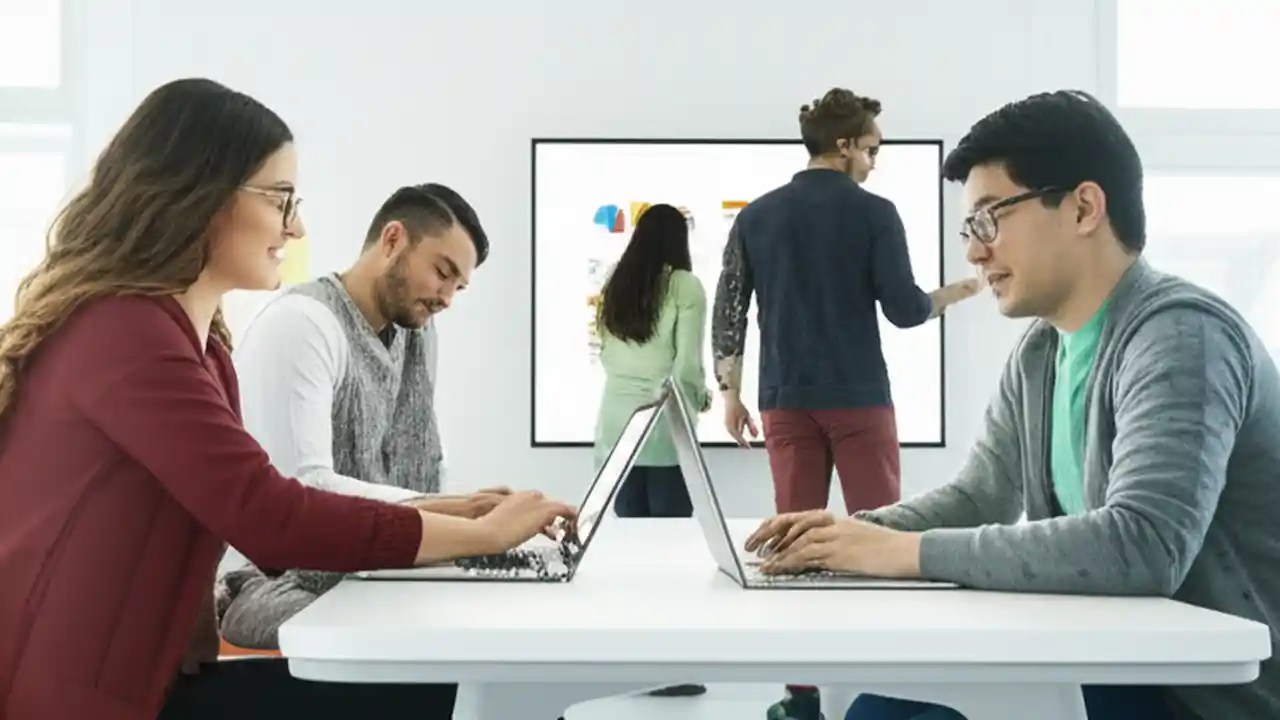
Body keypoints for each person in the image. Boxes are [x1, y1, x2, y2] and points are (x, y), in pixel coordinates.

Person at [0, 77, 575, 720]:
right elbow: (268, 515)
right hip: (70, 700)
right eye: (280, 200)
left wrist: (460, 516)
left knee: (455, 692)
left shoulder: (204, 348)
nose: (295, 227)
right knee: (442, 699)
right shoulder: (122, 333)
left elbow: (233, 510)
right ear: (200, 195)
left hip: (151, 682)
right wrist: (478, 535)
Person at [746, 90, 1280, 720]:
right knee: (877, 711)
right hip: (1112, 659)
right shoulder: (1043, 351)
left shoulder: (1182, 336)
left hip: (1198, 696)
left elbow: (1145, 544)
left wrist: (900, 553)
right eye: (971, 229)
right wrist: (848, 535)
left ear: (1083, 207)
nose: (975, 251)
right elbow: (983, 496)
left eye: (989, 218)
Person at [710, 87, 980, 720]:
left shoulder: (756, 216)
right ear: (845, 146)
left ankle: (801, 696)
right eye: (872, 149)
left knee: (795, 550)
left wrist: (730, 393)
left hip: (784, 401)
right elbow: (906, 311)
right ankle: (880, 685)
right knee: (879, 540)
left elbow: (730, 309)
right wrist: (961, 291)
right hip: (859, 400)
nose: (874, 162)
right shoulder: (875, 213)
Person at [214, 183, 514, 649]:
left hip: (374, 565)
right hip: (274, 583)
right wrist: (460, 514)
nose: (447, 298)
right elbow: (301, 491)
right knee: (441, 629)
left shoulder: (417, 330)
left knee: (492, 608)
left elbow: (415, 453)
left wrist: (469, 515)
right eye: (442, 272)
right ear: (392, 240)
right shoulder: (303, 324)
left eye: (458, 286)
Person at [593, 203, 712, 699]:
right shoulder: (685, 286)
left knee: (631, 557)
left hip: (613, 431)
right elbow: (686, 367)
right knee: (672, 561)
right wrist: (703, 399)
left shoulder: (614, 287)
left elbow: (606, 357)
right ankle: (671, 670)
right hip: (663, 429)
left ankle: (632, 664)